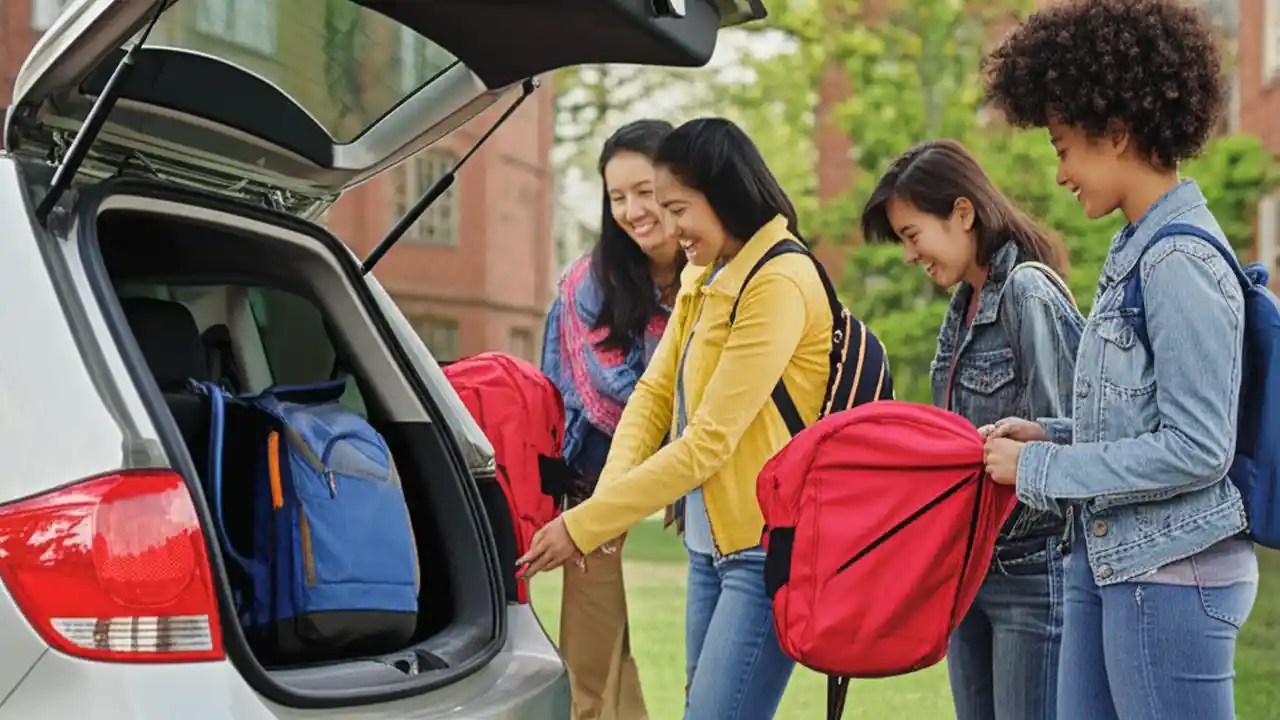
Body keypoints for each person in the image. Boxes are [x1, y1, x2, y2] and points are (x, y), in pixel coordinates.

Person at [979, 2, 1258, 718]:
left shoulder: (1179, 261)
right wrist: (1051, 435)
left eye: (1065, 145)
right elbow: (1141, 419)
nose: (1062, 171)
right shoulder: (1135, 252)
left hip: (1172, 574)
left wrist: (1040, 472)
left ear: (1118, 132)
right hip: (1112, 560)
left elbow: (1197, 448)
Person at [521, 117, 831, 720]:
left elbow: (706, 442)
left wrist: (583, 524)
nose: (669, 225)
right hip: (709, 546)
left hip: (762, 546)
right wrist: (606, 506)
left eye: (677, 207)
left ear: (722, 195)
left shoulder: (780, 281)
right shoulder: (704, 274)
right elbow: (653, 397)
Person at [861, 139, 1083, 720]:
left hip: (1031, 574)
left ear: (962, 213)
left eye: (912, 235)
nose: (910, 255)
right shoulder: (961, 307)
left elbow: (1076, 440)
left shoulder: (1027, 292)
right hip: (971, 571)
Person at [540, 118, 681, 720]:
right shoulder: (589, 281)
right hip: (592, 478)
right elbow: (609, 395)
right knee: (594, 654)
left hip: (692, 465)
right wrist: (681, 461)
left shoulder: (713, 276)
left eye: (644, 191)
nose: (631, 210)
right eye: (617, 197)